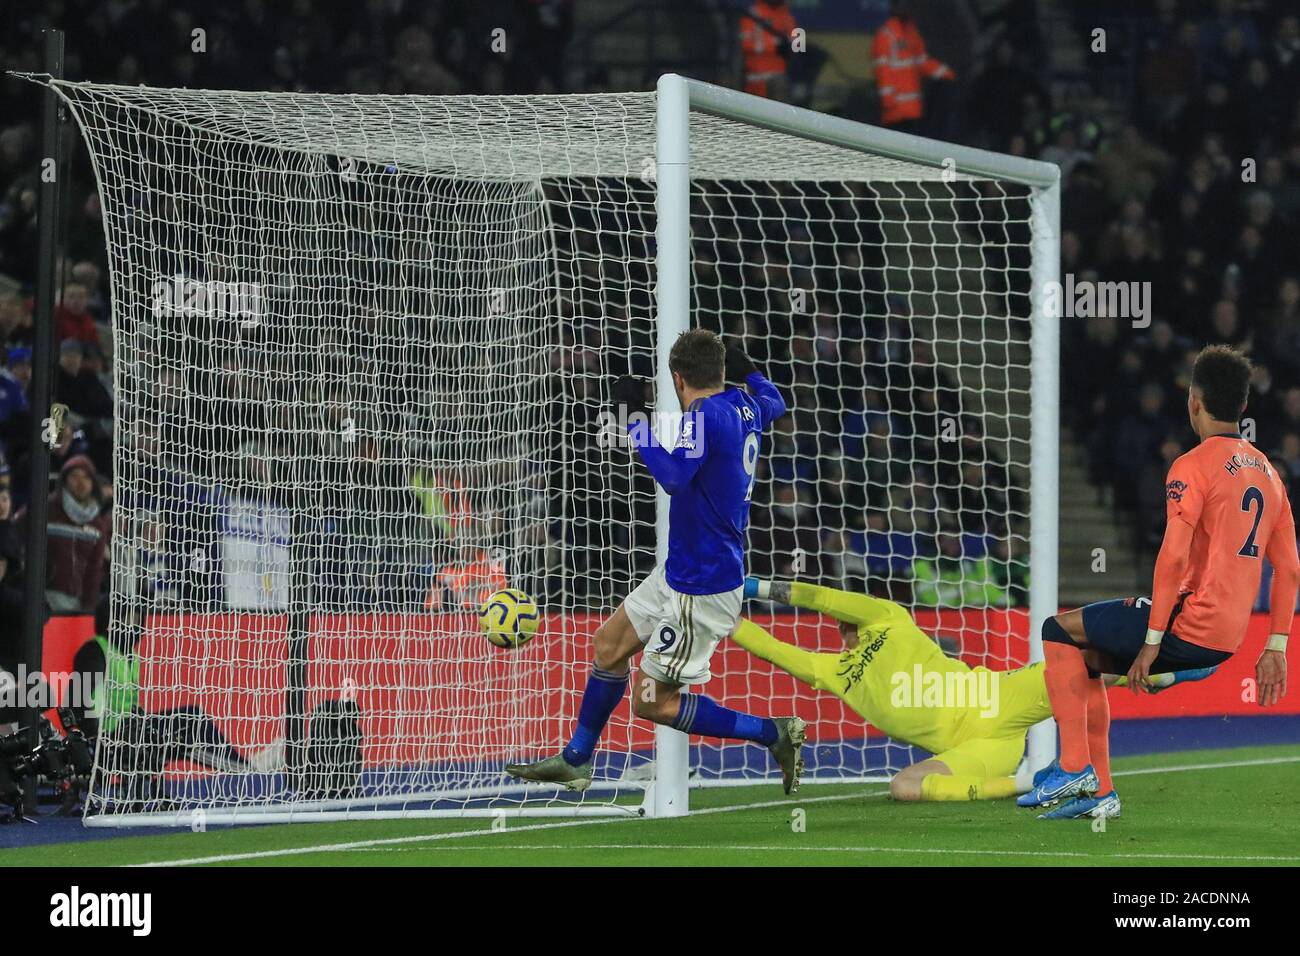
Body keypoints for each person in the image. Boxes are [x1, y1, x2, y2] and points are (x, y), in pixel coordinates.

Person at [507, 330, 806, 793]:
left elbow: (673, 476)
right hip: (679, 571)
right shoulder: (745, 405)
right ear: (722, 372)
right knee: (608, 645)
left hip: (701, 587)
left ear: (677, 377)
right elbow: (776, 400)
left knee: (652, 702)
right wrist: (747, 369)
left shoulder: (704, 414)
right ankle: (576, 759)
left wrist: (635, 421)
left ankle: (773, 733)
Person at [1023, 346, 1298, 819]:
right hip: (1228, 638)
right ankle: (1101, 792)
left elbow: (1171, 558)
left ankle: (1073, 767)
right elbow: (1290, 568)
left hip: (1189, 622)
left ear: (1194, 401)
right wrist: (1276, 645)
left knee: (1057, 630)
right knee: (1089, 660)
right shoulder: (1271, 475)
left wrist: (1152, 640)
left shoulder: (1191, 465)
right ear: (1244, 406)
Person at [734, 577, 1215, 802]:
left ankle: (1167, 668)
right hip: (983, 748)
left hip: (998, 696)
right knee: (904, 787)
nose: (841, 628)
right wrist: (723, 617)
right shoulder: (832, 671)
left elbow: (816, 596)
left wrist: (752, 586)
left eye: (845, 622)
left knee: (1082, 662)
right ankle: (1029, 782)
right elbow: (775, 650)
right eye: (840, 626)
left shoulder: (890, 618)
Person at [873, 0, 955, 133]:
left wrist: (946, 74)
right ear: (894, 7)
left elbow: (922, 62)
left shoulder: (912, 33)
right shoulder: (886, 34)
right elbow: (883, 70)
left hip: (913, 108)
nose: (905, 8)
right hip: (895, 108)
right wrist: (888, 100)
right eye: (900, 5)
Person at [739, 0, 798, 101]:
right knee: (779, 84)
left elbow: (797, 44)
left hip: (782, 74)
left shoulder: (786, 16)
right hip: (755, 75)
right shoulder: (753, 13)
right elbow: (746, 44)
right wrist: (776, 46)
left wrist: (788, 46)